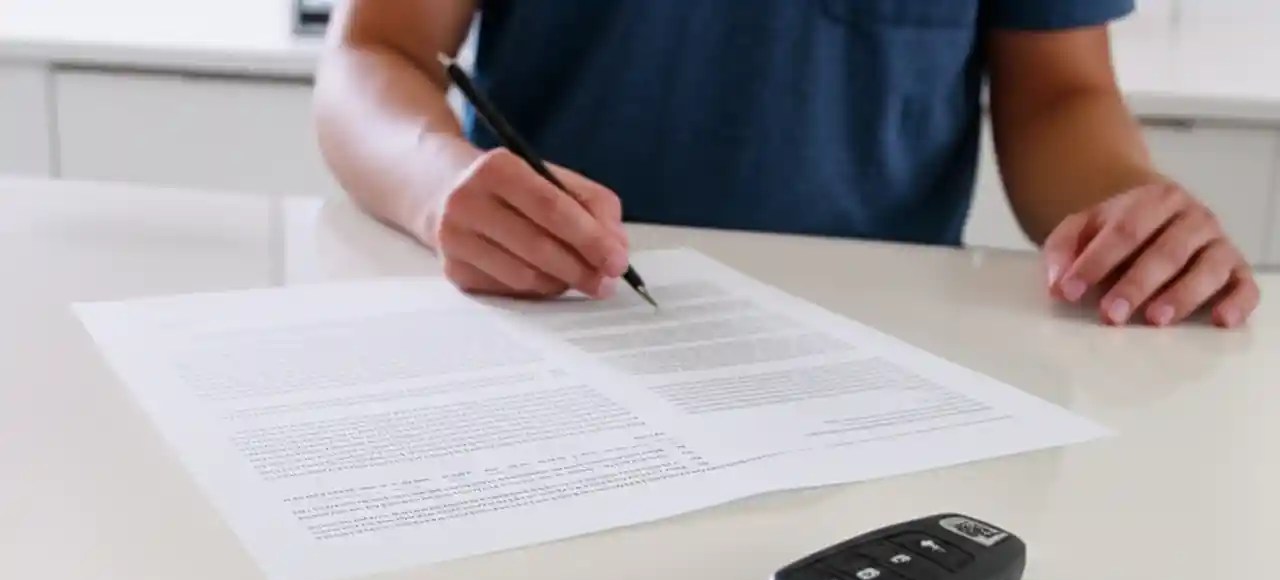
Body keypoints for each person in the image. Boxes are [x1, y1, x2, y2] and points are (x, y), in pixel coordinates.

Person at [313, 0, 1260, 329]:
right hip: (550, 320)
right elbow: (375, 51)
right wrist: (441, 187)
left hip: (884, 362)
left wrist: (1132, 218)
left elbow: (1059, 95)